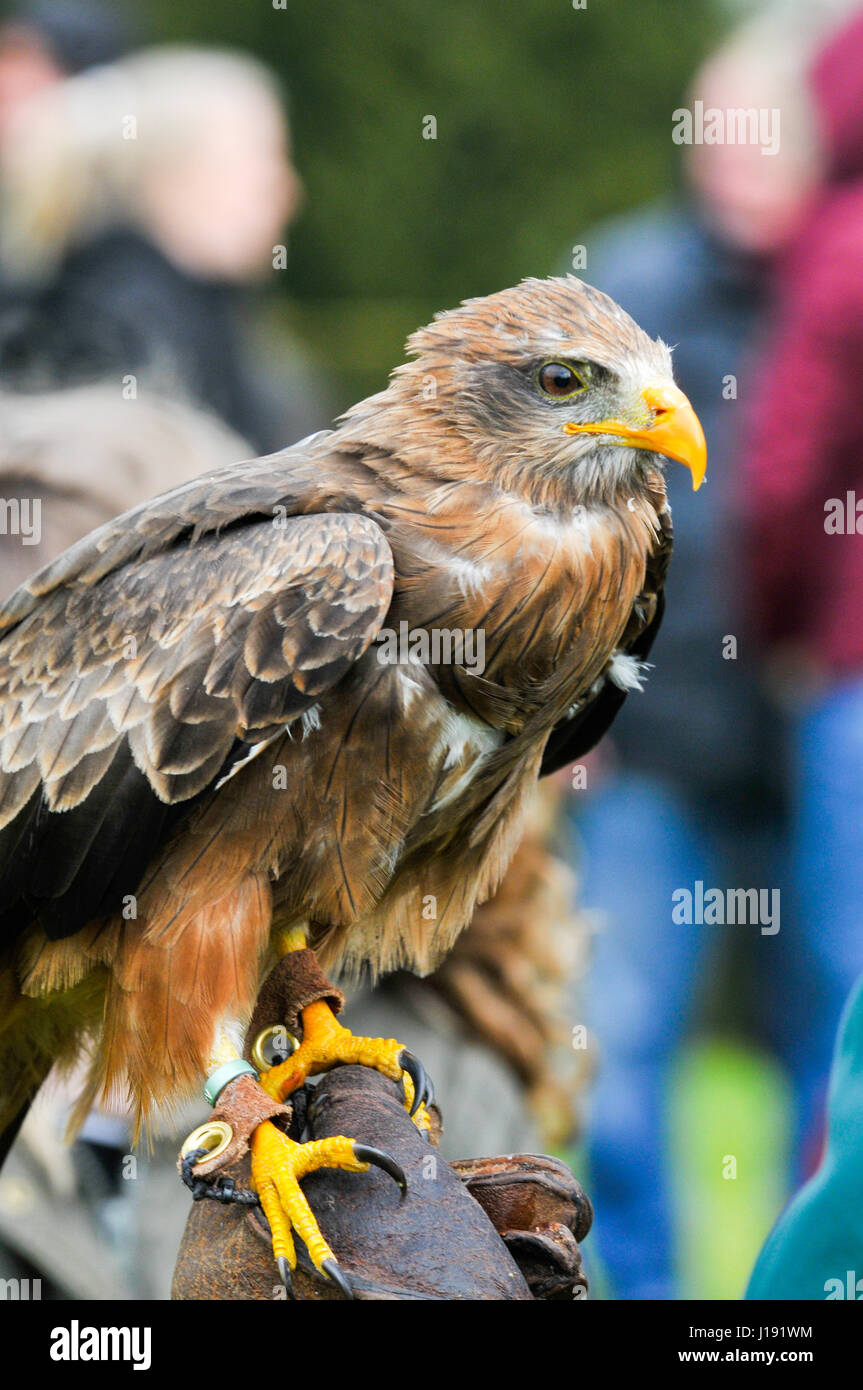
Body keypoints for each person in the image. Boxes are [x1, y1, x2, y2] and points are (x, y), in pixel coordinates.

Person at [562, 6, 840, 1299]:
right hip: (651, 739)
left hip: (797, 747)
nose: (732, 156)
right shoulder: (625, 288)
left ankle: (795, 1297)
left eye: (761, 133)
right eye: (712, 129)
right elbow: (545, 524)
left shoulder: (829, 279)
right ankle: (644, 1292)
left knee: (823, 1061)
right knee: (614, 1051)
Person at [743, 2, 863, 1183]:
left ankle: (826, 1279)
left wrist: (774, 627)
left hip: (852, 667)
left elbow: (783, 471)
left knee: (848, 1002)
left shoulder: (839, 242)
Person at [0, 46, 324, 453]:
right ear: (167, 171)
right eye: (266, 159)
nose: (287, 191)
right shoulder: (124, 330)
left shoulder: (194, 311)